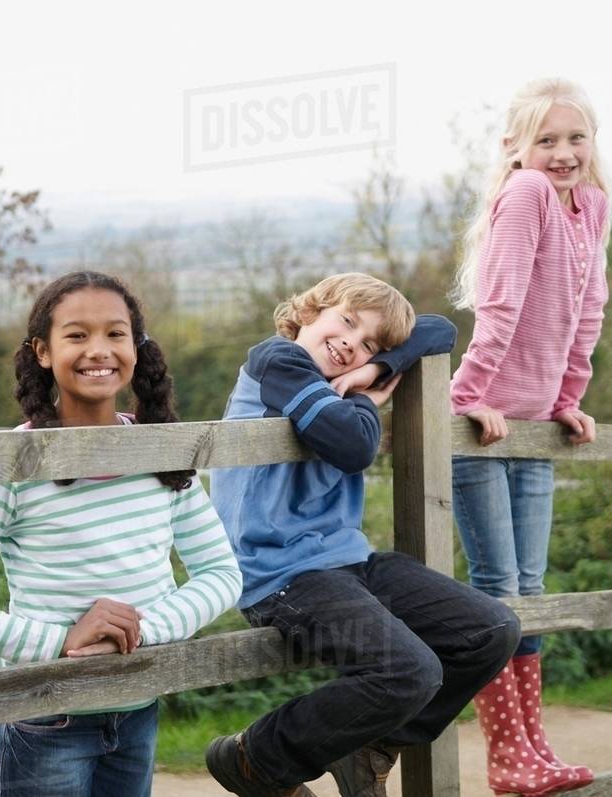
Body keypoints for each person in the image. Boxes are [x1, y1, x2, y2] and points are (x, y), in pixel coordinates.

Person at [0, 271, 242, 797]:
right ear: (43, 351)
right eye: (77, 335)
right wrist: (58, 642)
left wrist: (142, 629)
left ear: (136, 347)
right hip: (42, 717)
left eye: (115, 334)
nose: (98, 351)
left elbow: (222, 575)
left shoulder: (162, 455)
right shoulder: (15, 463)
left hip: (137, 705)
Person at [205, 272, 520, 797]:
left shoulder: (348, 370)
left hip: (347, 560)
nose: (352, 342)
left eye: (370, 341)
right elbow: (353, 445)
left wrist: (374, 367)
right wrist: (365, 401)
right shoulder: (278, 362)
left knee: (490, 632)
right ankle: (257, 758)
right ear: (309, 312)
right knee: (410, 671)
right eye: (346, 322)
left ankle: (371, 745)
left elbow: (438, 330)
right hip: (278, 571)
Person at [450, 78, 612, 795]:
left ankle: (534, 747)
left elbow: (589, 311)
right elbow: (503, 298)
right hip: (483, 423)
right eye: (546, 139)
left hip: (535, 424)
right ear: (515, 148)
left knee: (532, 590)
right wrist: (465, 397)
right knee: (499, 589)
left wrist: (568, 398)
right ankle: (506, 756)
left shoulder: (592, 207)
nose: (563, 152)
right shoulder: (526, 195)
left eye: (575, 137)